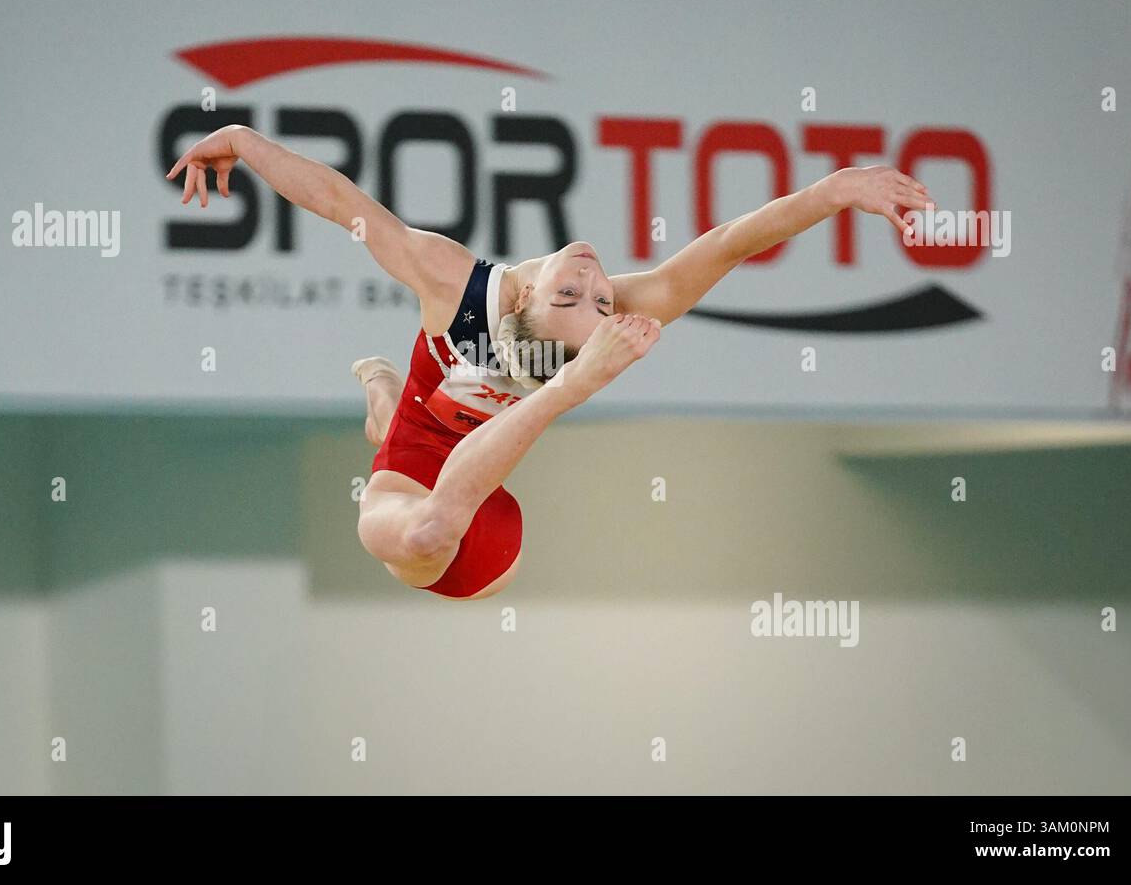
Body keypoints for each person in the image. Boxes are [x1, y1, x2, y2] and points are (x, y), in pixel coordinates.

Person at [168, 125, 931, 599]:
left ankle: (387, 400)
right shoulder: (453, 279)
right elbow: (340, 203)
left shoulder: (473, 297)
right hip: (467, 465)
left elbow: (728, 248)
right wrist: (835, 189)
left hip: (458, 519)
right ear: (522, 295)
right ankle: (386, 396)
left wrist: (569, 387)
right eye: (596, 299)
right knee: (412, 432)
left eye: (581, 296)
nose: (597, 282)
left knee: (426, 534)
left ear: (533, 299)